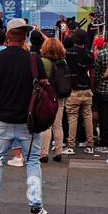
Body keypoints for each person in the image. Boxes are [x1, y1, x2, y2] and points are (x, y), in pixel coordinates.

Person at [0, 18, 47, 214]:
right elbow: (43, 90)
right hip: (29, 121)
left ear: (8, 36)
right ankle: (35, 208)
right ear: (25, 36)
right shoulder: (34, 60)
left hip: (2, 119)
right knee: (33, 161)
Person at [63, 28, 96, 156]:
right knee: (88, 118)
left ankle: (71, 146)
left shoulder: (68, 53)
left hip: (73, 90)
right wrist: (91, 88)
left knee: (72, 118)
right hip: (87, 89)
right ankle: (90, 146)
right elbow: (92, 74)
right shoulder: (89, 54)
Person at [38, 34, 67, 162]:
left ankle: (44, 153)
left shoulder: (43, 62)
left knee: (46, 125)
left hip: (46, 96)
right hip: (60, 96)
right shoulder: (63, 62)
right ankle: (59, 151)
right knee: (58, 124)